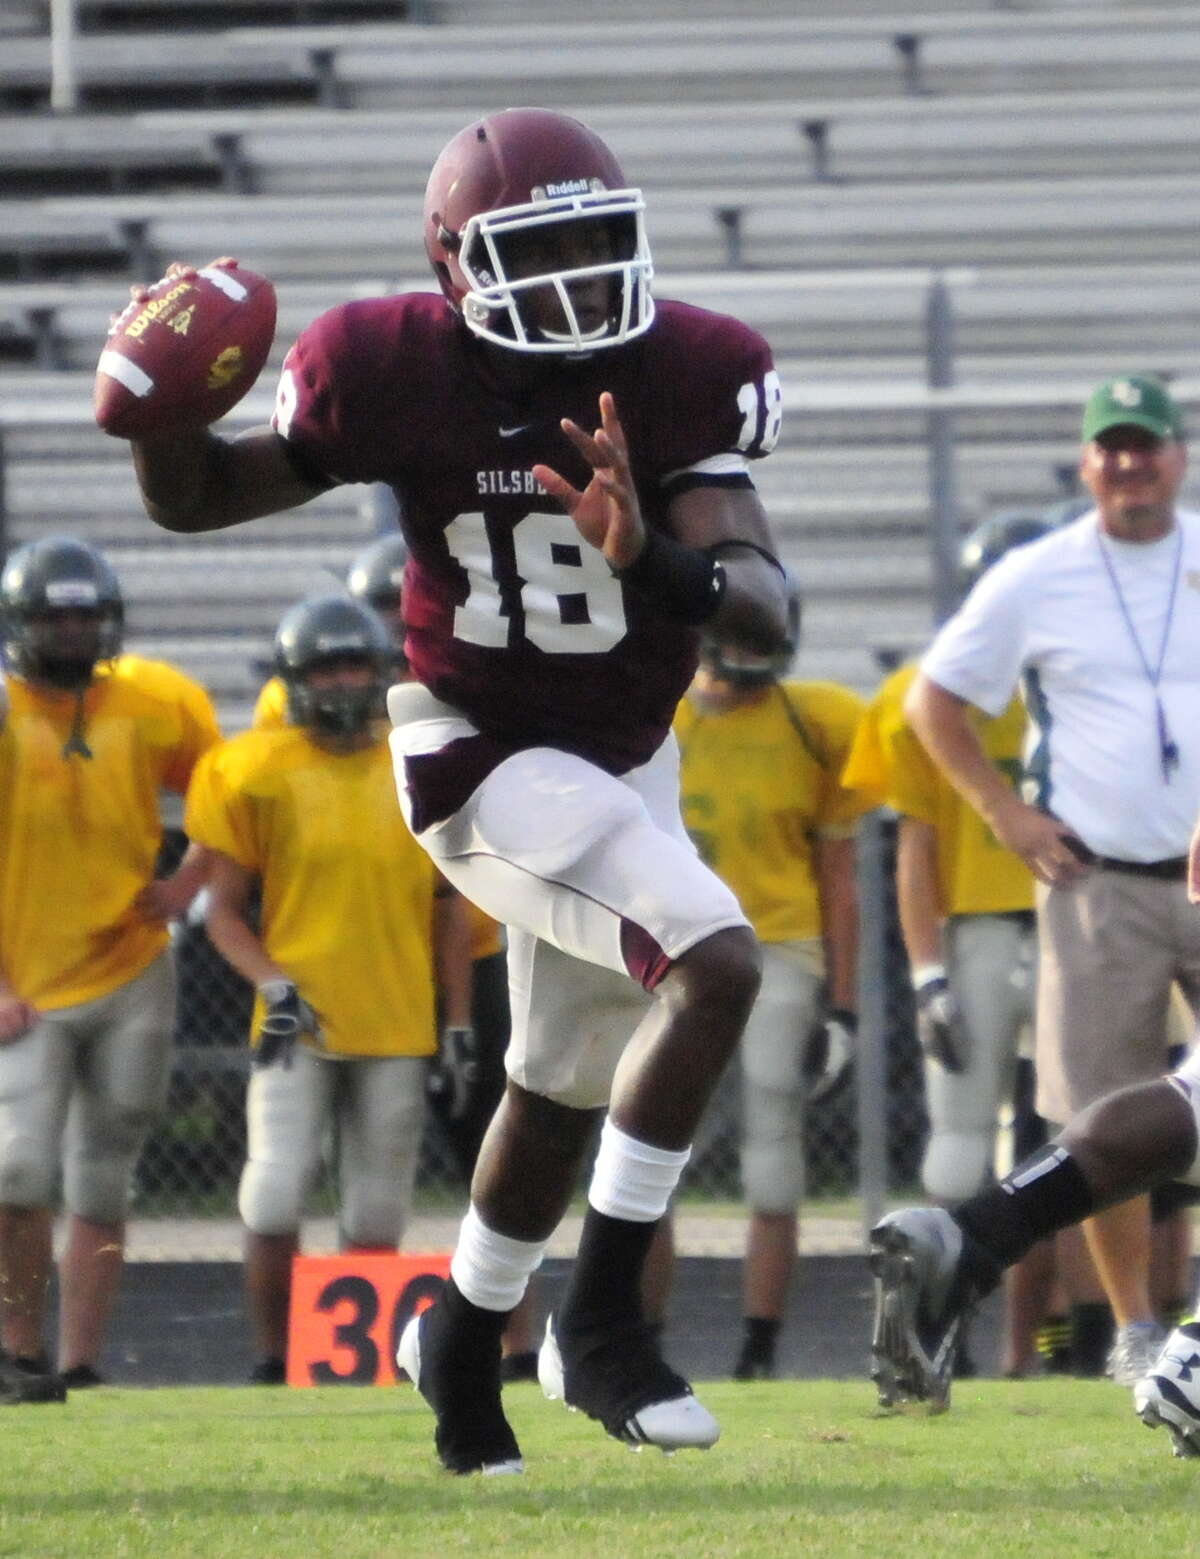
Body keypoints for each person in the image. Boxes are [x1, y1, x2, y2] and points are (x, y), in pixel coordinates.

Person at [114, 107, 789, 1473]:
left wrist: (653, 556)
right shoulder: (389, 366)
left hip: (623, 756)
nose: (577, 276)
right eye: (539, 250)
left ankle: (461, 1345)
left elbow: (763, 613)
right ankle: (601, 1324)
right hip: (477, 747)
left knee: (556, 1082)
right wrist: (161, 420)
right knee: (715, 959)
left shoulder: (683, 369)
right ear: (455, 262)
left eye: (595, 242)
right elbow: (202, 498)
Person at [897, 373, 1200, 1389]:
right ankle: (1135, 1326)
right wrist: (1005, 812)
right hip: (1100, 878)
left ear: (1178, 455)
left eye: (1146, 443)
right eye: (1112, 445)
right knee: (1105, 1111)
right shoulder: (1041, 572)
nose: (1130, 462)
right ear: (1087, 461)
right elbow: (934, 701)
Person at [185, 593, 475, 1383]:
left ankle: (355, 1364)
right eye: (324, 668)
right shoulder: (255, 768)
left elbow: (449, 909)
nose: (343, 681)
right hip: (297, 1021)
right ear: (293, 678)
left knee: (377, 1210)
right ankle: (273, 1357)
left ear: (380, 670)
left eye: (354, 664)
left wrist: (457, 1020)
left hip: (396, 1020)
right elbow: (222, 913)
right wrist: (273, 985)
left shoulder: (418, 761)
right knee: (273, 1195)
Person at [843, 511, 1073, 1378]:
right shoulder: (924, 693)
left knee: (1065, 1152)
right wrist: (929, 975)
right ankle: (939, 1338)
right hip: (978, 933)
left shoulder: (1086, 680)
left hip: (1075, 926)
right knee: (960, 1147)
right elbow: (918, 846)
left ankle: (1042, 1350)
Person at [0, 536, 218, 1399]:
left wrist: (189, 881)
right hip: (27, 980)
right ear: (21, 622)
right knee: (17, 1169)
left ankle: (80, 1362)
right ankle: (18, 1350)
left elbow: (227, 796)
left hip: (133, 968)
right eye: (56, 616)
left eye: (86, 615)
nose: (74, 630)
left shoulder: (155, 698)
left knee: (103, 1175)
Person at [673, 581, 869, 1379]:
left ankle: (759, 1348)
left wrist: (845, 1007)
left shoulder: (813, 720)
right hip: (673, 948)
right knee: (646, 1153)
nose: (755, 648)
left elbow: (839, 876)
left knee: (773, 1155)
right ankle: (634, 1335)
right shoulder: (660, 717)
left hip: (779, 946)